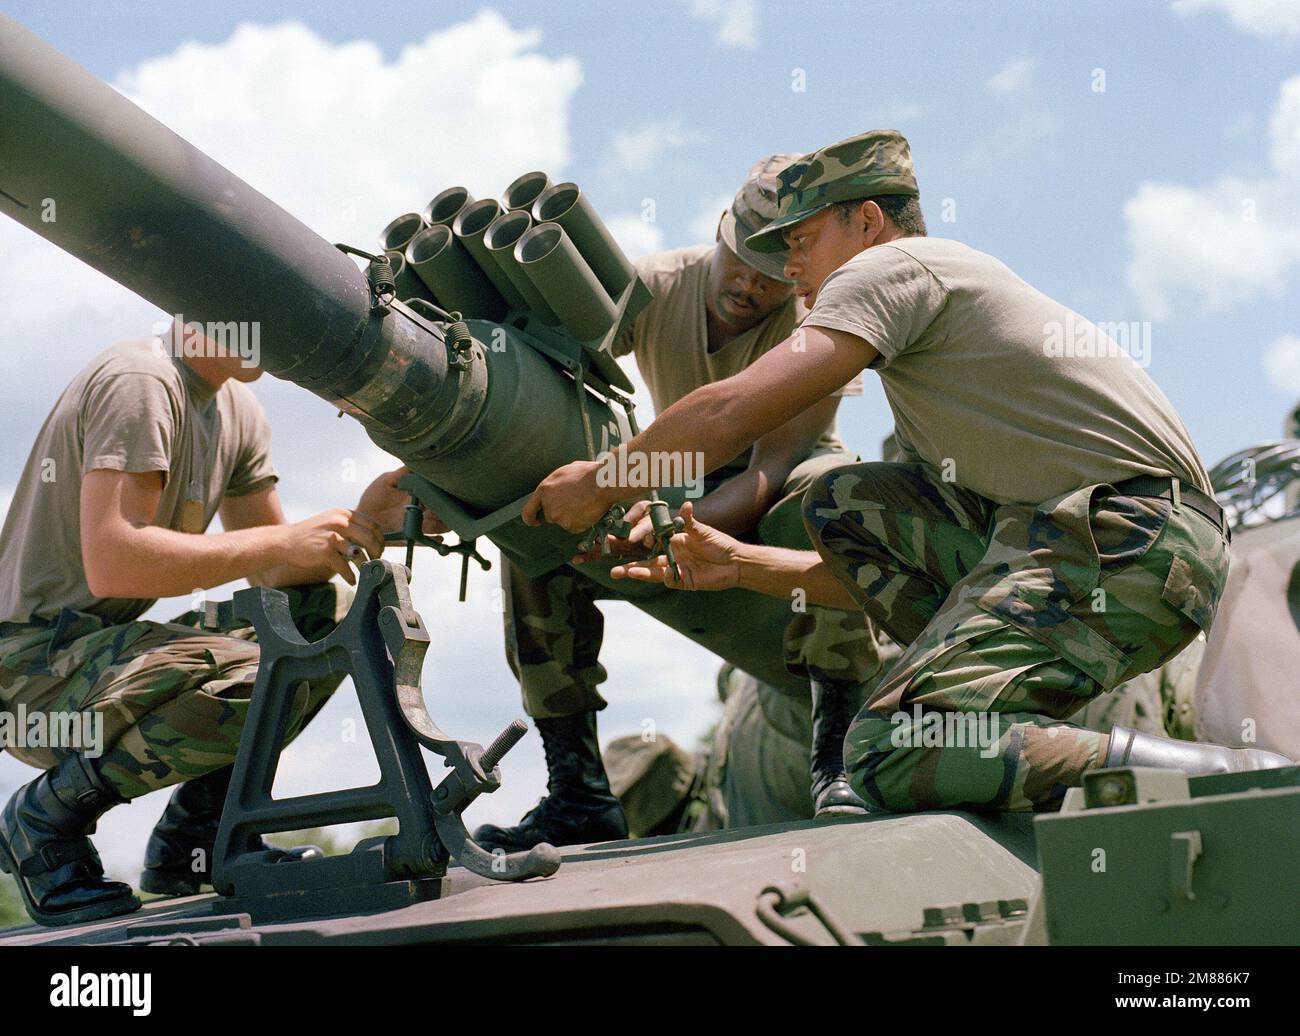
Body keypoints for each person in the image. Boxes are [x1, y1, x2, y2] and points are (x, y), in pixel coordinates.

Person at [524, 129, 1292, 815]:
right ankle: (993, 724)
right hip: (1103, 544)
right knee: (849, 503)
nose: (787, 262)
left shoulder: (894, 267)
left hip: (1129, 539)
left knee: (890, 751)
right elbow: (887, 567)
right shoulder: (939, 391)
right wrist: (742, 564)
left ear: (867, 221)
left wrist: (599, 483)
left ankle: (1235, 781)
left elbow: (729, 414)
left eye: (803, 237)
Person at [475, 155, 881, 854]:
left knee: (830, 503)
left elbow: (768, 469)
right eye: (738, 264)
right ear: (719, 237)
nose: (749, 287)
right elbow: (552, 352)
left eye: (769, 274)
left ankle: (834, 762)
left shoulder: (813, 323)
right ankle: (577, 791)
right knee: (535, 534)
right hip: (675, 465)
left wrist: (681, 529)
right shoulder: (661, 283)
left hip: (778, 473)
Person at [0, 323, 429, 926]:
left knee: (319, 615)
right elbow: (114, 562)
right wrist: (284, 539)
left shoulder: (236, 407)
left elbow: (278, 573)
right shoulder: (141, 383)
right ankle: (47, 818)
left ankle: (198, 841)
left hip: (91, 652)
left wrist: (365, 519)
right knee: (251, 673)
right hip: (25, 670)